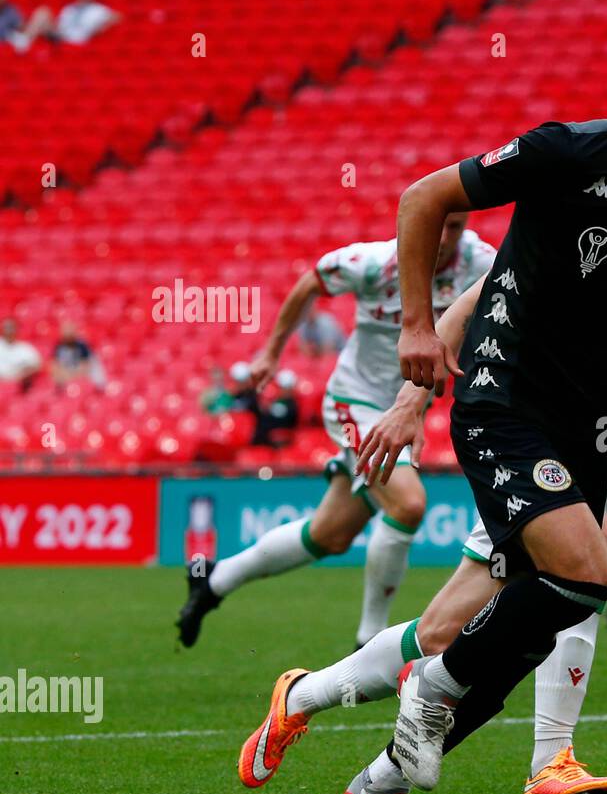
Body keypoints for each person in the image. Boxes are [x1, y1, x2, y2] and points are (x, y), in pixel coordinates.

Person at [235, 31, 607, 794]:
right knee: (587, 573)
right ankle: (435, 695)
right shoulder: (563, 154)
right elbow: (421, 199)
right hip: (502, 395)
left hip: (584, 424)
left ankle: (380, 787)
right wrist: (413, 340)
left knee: (515, 630)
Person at [175, 217, 496, 652]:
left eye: (454, 227)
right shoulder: (372, 262)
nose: (443, 239)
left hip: (403, 408)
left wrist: (418, 409)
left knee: (330, 534)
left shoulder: (481, 263)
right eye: (435, 226)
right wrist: (271, 352)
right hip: (353, 402)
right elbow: (311, 282)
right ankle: (369, 641)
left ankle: (213, 579)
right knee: (409, 503)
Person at [251, 370, 300, 447]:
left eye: (287, 388)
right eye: (282, 387)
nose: (284, 390)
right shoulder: (275, 401)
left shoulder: (292, 405)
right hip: (264, 438)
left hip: (283, 438)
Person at [49, 322, 102, 388]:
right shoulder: (59, 346)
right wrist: (63, 374)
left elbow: (85, 366)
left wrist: (73, 376)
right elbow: (54, 365)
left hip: (81, 375)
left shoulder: (82, 346)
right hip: (66, 374)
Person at [0, 318, 41, 391]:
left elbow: (36, 365)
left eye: (11, 328)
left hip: (19, 385)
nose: (9, 331)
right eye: (6, 327)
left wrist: (21, 376)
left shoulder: (25, 348)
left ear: (16, 329)